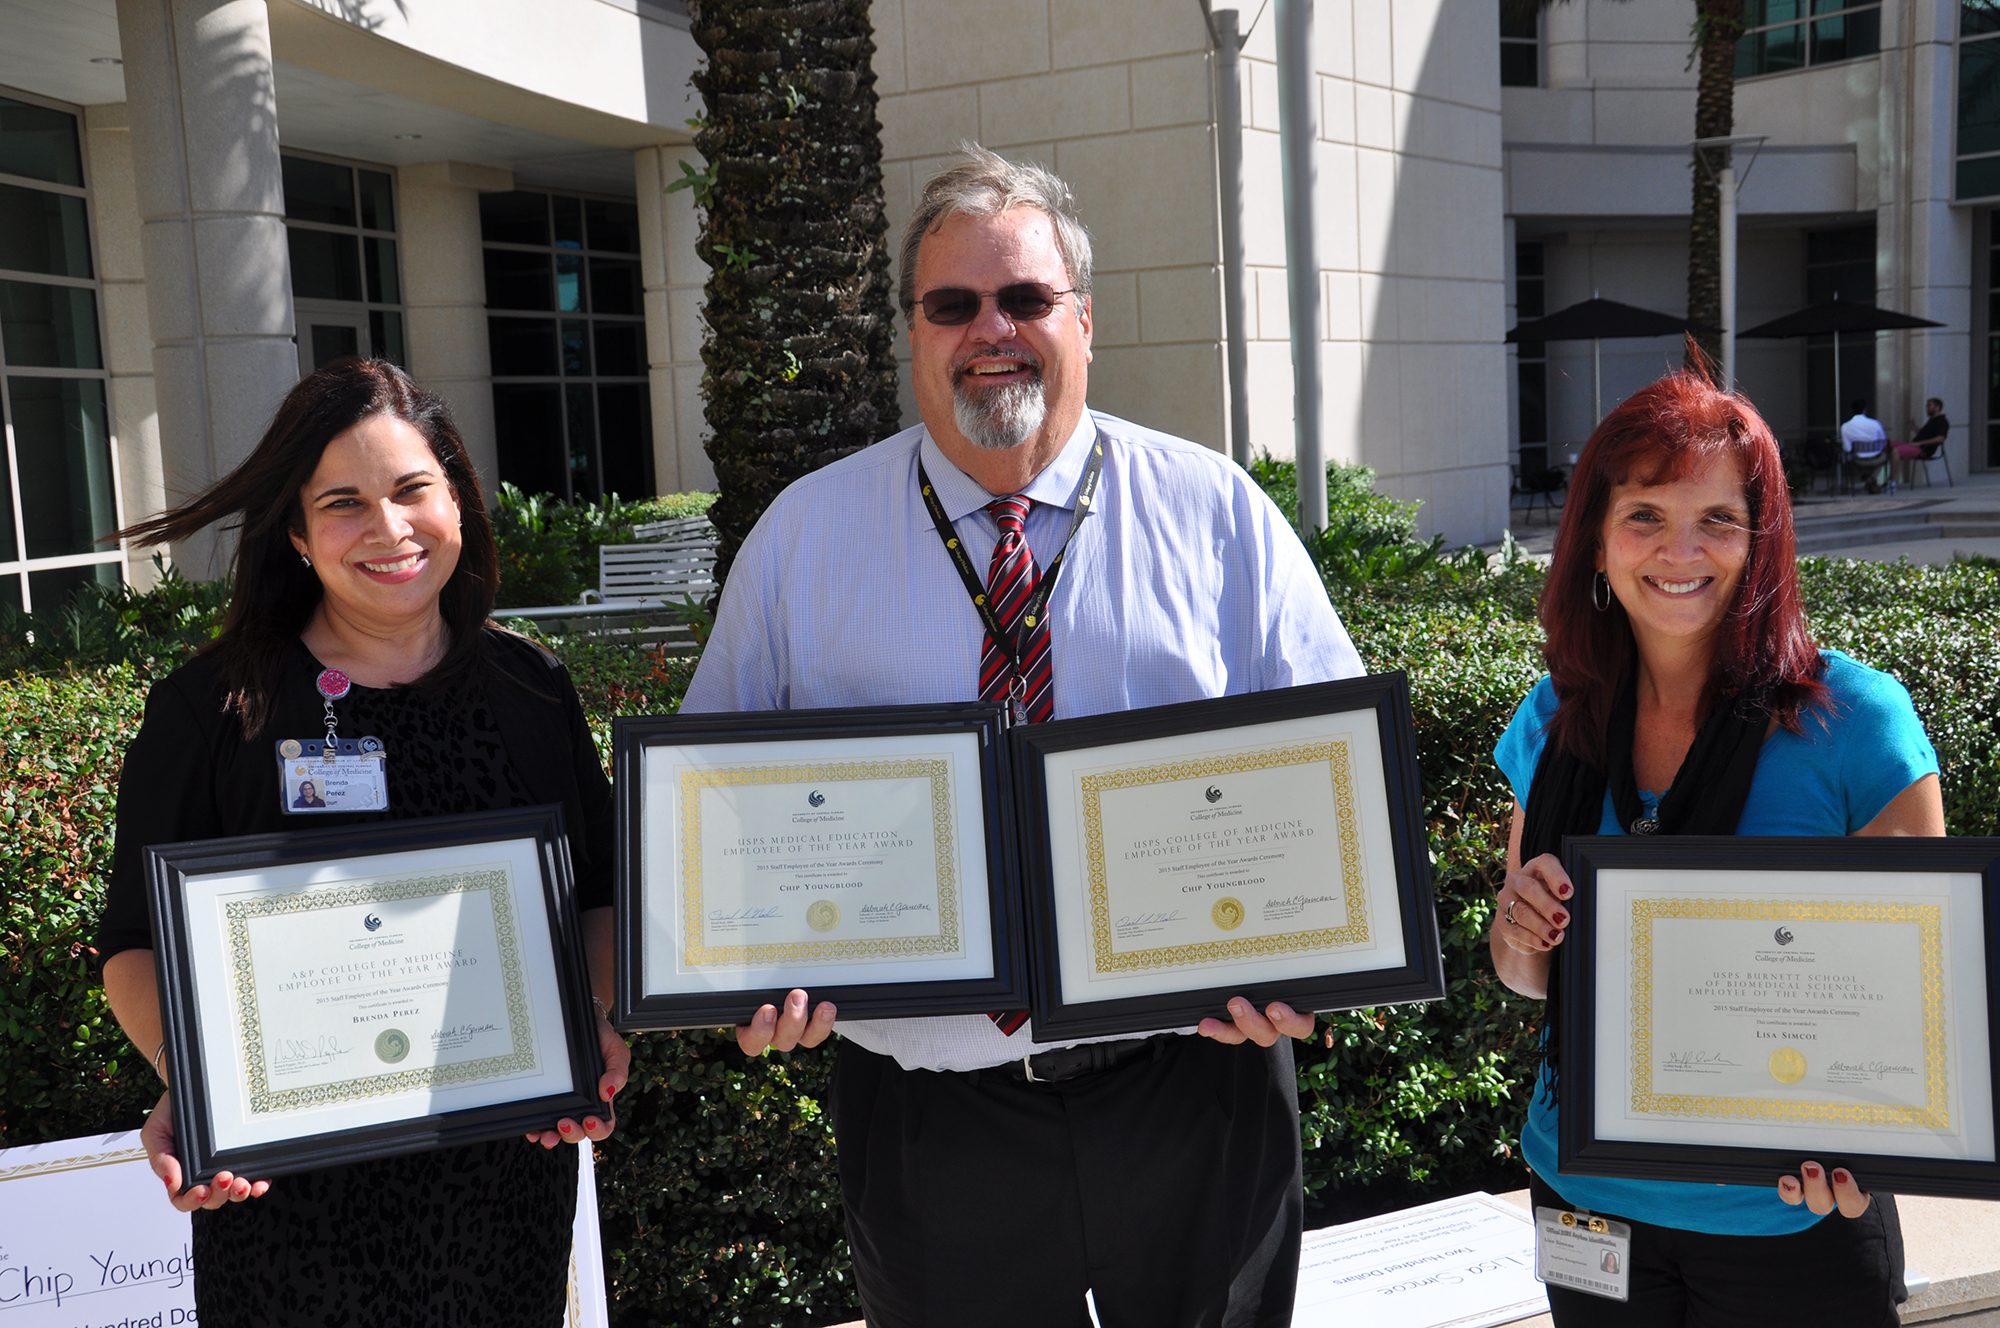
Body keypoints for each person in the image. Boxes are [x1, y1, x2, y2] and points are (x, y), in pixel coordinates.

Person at [680, 144, 1363, 1327]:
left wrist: (1317, 958)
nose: (989, 329)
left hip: (1195, 1088)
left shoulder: (1215, 515)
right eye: (952, 303)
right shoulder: (802, 538)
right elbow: (708, 810)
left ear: (1082, 319)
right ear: (912, 331)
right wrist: (739, 966)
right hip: (930, 1119)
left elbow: (1335, 784)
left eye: (1024, 297)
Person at [97, 360, 629, 1326]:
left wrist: (587, 1022)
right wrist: (199, 1081)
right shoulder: (216, 710)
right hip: (288, 1205)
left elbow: (595, 892)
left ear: (458, 503)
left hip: (502, 1191)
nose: (389, 529)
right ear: (298, 535)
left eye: (412, 489)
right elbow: (133, 943)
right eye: (343, 504)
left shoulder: (530, 688)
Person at [1489, 361, 1944, 1327]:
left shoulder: (1857, 723)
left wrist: (1880, 1142)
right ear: (1596, 542)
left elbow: (1916, 1003)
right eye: (1645, 514)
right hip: (1585, 1199)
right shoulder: (1553, 721)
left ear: (1762, 539)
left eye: (1720, 519)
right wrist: (1521, 931)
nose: (1680, 549)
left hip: (1788, 1214)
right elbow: (1525, 976)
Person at [1892, 397, 1949, 489]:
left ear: (1937, 407)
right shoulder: (1931, 420)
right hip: (1915, 445)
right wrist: (1914, 427)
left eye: (1929, 406)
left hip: (1923, 450)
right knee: (1888, 444)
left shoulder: (1942, 422)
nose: (1927, 408)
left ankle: (1891, 482)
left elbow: (1941, 438)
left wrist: (1919, 443)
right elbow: (1923, 434)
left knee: (1896, 451)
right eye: (1927, 406)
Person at [1839, 399, 1891, 492]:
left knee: (1849, 459)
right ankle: (1872, 479)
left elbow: (1847, 448)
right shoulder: (1875, 423)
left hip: (1859, 460)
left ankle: (1867, 478)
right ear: (1864, 410)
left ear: (1852, 411)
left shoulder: (1845, 426)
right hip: (1877, 458)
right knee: (1885, 457)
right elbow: (1883, 441)